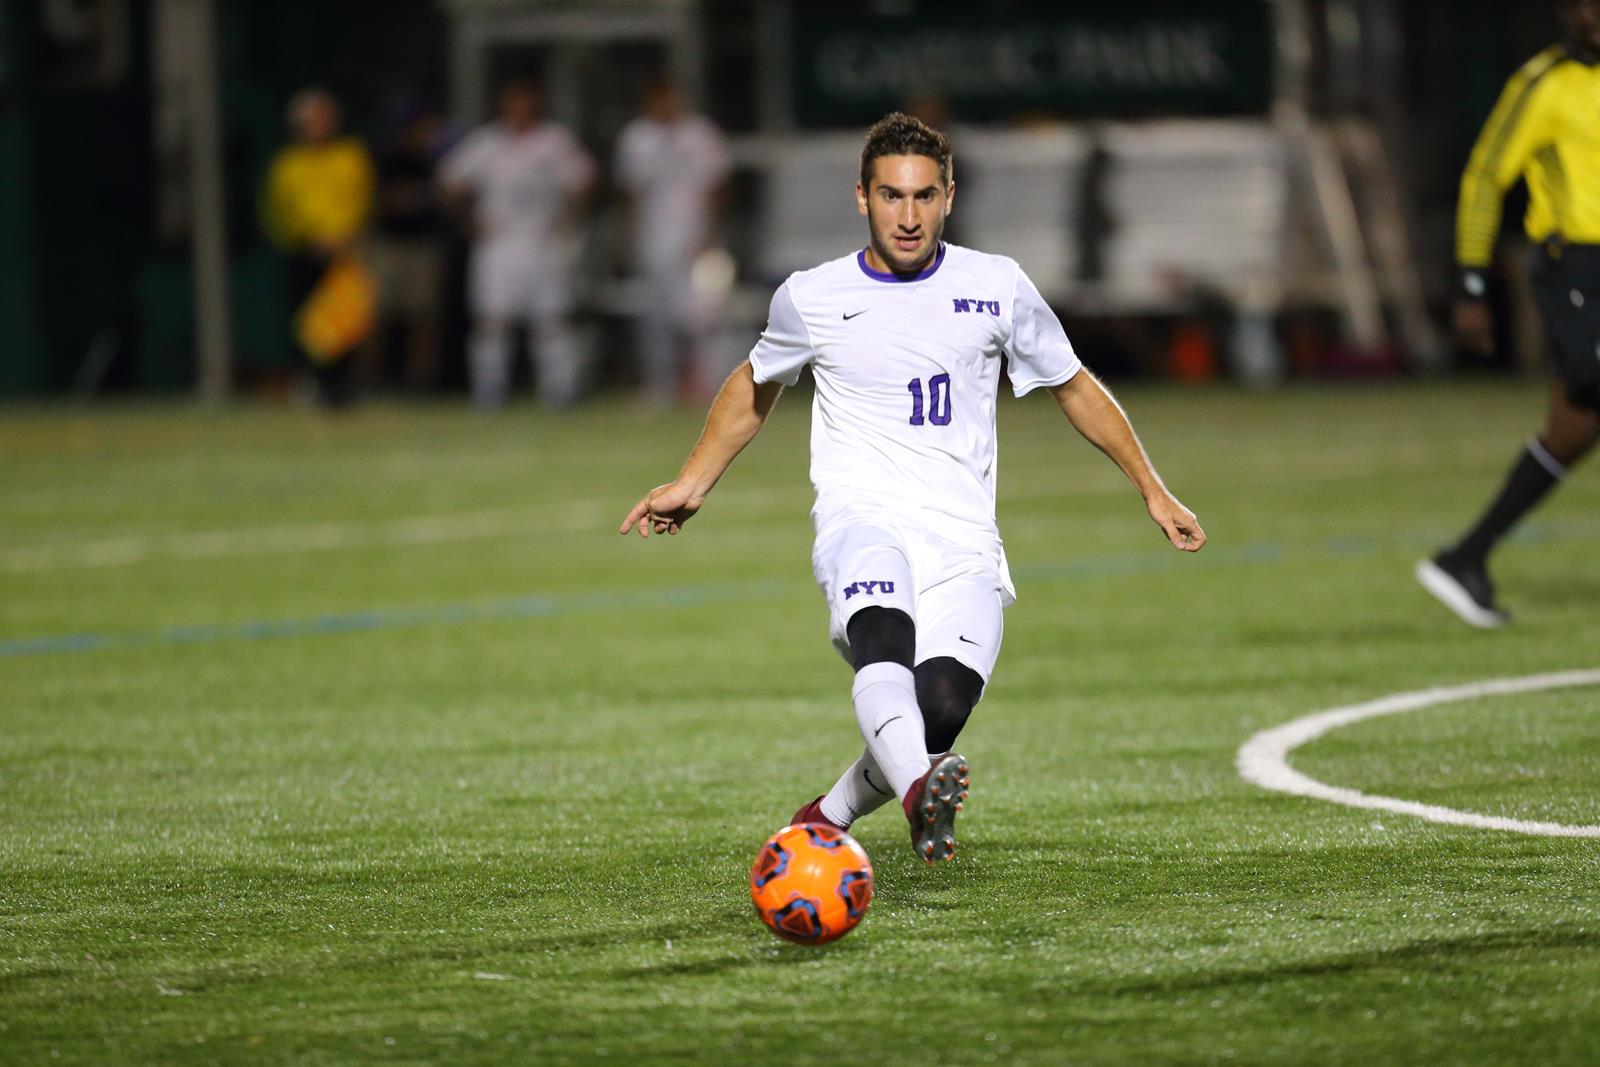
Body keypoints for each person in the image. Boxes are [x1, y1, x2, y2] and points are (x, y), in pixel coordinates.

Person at [618, 113, 1206, 862]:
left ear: (949, 197)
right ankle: (918, 796)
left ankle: (825, 817)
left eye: (924, 196)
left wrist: (1153, 488)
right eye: (891, 195)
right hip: (864, 519)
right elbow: (752, 383)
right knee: (883, 641)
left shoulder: (996, 286)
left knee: (940, 709)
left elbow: (1074, 385)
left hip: (964, 539)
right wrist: (693, 481)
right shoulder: (813, 296)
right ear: (862, 197)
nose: (908, 215)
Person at [1418, 0, 1600, 628]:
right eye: (1583, 5)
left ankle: (1465, 558)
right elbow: (1485, 176)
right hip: (1576, 269)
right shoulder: (1542, 83)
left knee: (1574, 428)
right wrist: (1471, 282)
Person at [439, 78, 595, 409]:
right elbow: (449, 181)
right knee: (492, 321)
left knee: (551, 320)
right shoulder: (486, 142)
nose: (520, 109)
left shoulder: (553, 141)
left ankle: (559, 394)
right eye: (514, 101)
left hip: (543, 243)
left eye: (525, 101)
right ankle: (488, 395)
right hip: (499, 245)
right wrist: (469, 222)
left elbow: (584, 182)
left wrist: (569, 221)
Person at [614, 78, 732, 406]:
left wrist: (709, 233)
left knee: (702, 316)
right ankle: (660, 386)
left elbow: (717, 187)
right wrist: (628, 235)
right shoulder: (637, 138)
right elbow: (631, 193)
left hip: (695, 236)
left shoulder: (701, 135)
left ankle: (708, 386)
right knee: (656, 317)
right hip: (653, 237)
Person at [262, 88, 374, 407]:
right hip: (304, 252)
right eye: (312, 120)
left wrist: (346, 237)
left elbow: (362, 198)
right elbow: (278, 210)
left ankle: (346, 385)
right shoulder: (287, 164)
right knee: (309, 322)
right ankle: (315, 382)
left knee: (349, 318)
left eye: (324, 118)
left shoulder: (351, 155)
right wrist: (307, 237)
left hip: (345, 252)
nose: (319, 125)